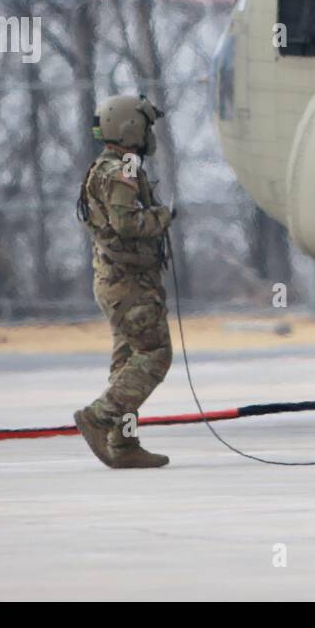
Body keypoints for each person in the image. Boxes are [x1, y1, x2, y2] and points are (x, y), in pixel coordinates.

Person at [73, 94, 175, 468]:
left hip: (117, 283)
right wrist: (163, 217)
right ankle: (99, 417)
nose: (149, 133)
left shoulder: (109, 167)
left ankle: (123, 442)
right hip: (130, 285)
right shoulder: (121, 171)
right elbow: (127, 224)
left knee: (128, 361)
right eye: (145, 125)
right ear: (131, 127)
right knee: (154, 355)